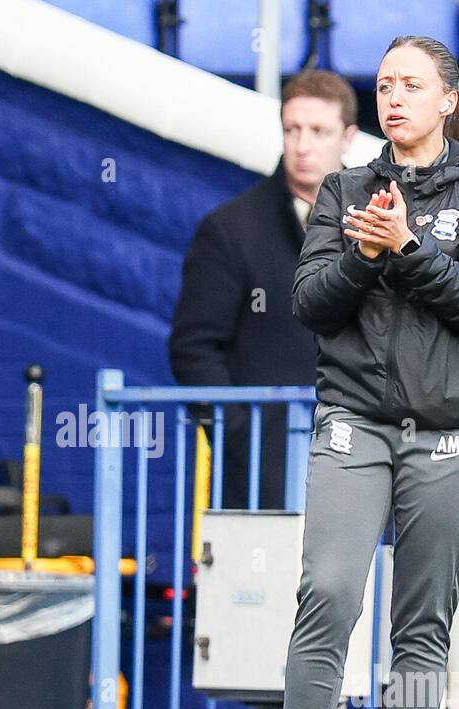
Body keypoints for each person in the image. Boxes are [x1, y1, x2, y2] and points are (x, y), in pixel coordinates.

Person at [221, 36, 459, 709]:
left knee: (422, 619)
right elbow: (312, 302)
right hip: (353, 421)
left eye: (411, 85)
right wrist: (364, 253)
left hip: (450, 434)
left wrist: (410, 248)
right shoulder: (344, 188)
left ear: (447, 100)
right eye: (384, 84)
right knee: (327, 590)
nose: (393, 98)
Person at [169, 70, 356, 510]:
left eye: (319, 131)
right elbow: (193, 350)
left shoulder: (385, 216)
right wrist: (241, 437)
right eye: (291, 129)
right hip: (260, 474)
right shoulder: (230, 229)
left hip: (365, 457)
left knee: (365, 581)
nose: (302, 145)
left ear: (348, 137)